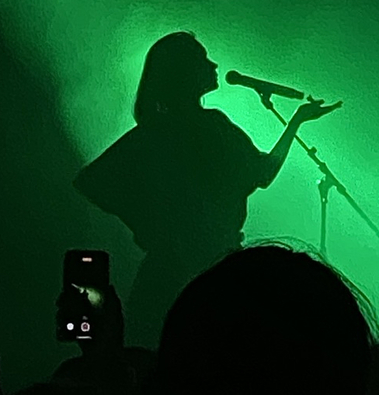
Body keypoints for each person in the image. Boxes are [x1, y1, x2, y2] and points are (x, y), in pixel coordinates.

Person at [73, 32, 342, 347]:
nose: (213, 64)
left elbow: (91, 182)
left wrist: (150, 226)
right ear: (184, 72)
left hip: (173, 271)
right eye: (203, 59)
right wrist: (295, 122)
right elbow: (263, 173)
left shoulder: (157, 131)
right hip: (214, 268)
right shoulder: (206, 128)